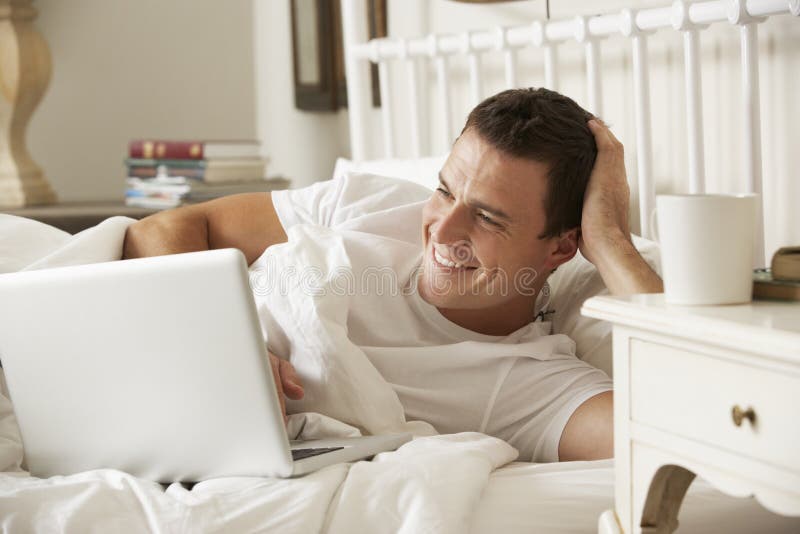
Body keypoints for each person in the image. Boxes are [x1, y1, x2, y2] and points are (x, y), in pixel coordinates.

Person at [123, 88, 662, 462]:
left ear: (564, 246)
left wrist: (613, 244)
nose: (441, 230)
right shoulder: (368, 202)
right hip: (146, 353)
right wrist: (222, 344)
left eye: (489, 216)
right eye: (447, 191)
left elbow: (684, 429)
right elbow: (161, 230)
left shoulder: (531, 385)